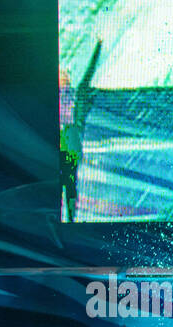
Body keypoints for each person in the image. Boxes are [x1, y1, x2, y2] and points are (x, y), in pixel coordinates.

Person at [58, 40, 102, 223]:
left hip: (70, 141)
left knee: (70, 182)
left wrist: (98, 48)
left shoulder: (76, 98)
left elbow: (87, 77)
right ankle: (71, 215)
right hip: (69, 141)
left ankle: (71, 216)